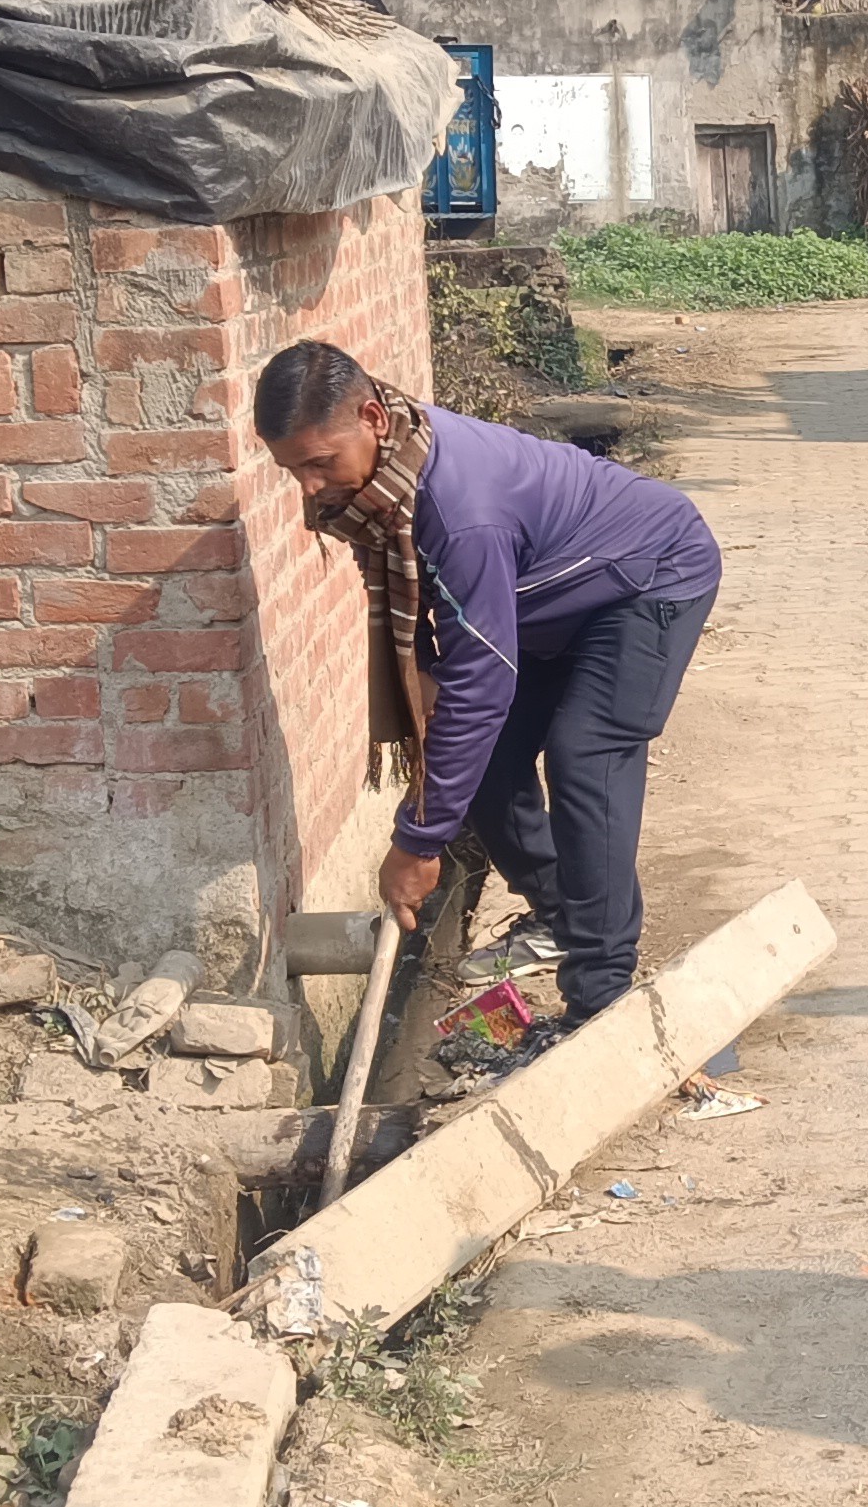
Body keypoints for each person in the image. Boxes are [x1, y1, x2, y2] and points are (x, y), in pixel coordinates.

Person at [252, 341, 722, 1028]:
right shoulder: (378, 488)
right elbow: (452, 645)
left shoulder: (456, 508)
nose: (310, 489)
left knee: (585, 754)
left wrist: (418, 843)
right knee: (488, 764)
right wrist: (423, 677)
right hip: (550, 597)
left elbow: (480, 686)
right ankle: (564, 917)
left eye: (320, 464)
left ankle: (600, 997)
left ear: (375, 418)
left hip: (650, 575)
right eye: (292, 471)